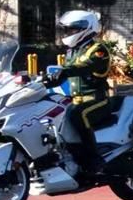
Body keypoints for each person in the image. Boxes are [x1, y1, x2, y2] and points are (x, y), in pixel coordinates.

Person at [44, 10, 116, 174]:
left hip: (98, 100)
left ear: (87, 29)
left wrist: (63, 72)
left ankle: (94, 159)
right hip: (76, 100)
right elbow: (65, 73)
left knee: (77, 115)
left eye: (72, 29)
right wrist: (43, 80)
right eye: (67, 30)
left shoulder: (98, 49)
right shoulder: (72, 51)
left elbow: (84, 65)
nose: (68, 33)